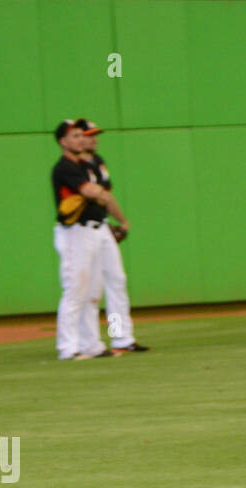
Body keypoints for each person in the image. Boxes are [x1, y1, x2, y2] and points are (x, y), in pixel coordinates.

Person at [50, 118, 125, 360]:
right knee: (75, 290)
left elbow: (102, 195)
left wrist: (106, 203)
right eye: (74, 136)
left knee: (93, 292)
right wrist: (101, 196)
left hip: (94, 229)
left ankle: (91, 344)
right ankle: (68, 348)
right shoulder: (64, 167)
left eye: (81, 135)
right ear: (63, 142)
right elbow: (92, 192)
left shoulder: (86, 165)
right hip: (75, 233)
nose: (80, 139)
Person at [77, 119, 148, 356]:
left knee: (116, 281)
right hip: (80, 231)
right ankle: (89, 343)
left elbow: (107, 196)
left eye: (95, 135)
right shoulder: (75, 167)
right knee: (90, 288)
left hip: (103, 227)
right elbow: (98, 197)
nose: (94, 139)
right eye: (88, 135)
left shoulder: (98, 162)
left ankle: (121, 338)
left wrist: (122, 221)